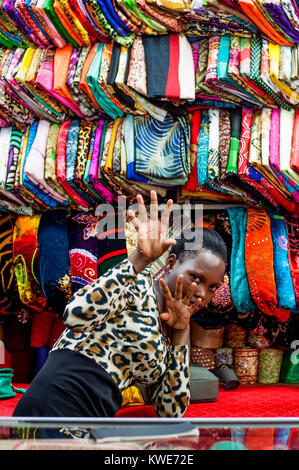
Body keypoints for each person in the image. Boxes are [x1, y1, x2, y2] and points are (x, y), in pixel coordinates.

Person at [13, 190, 227, 419]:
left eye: (213, 287)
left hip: (92, 418)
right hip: (55, 404)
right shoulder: (135, 288)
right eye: (195, 277)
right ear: (172, 263)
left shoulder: (172, 329)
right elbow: (74, 315)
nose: (202, 293)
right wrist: (140, 258)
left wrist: (182, 329)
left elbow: (171, 409)